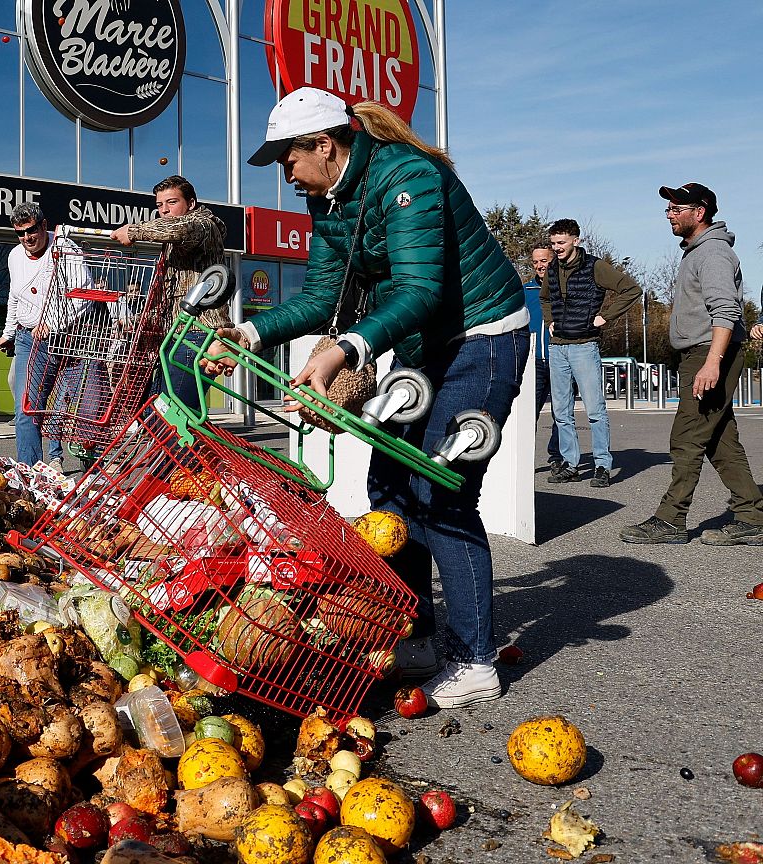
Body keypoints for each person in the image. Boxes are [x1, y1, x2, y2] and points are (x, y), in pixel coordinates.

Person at [214, 87, 528, 709]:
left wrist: (344, 352)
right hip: (423, 349)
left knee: (442, 495)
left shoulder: (409, 177)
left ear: (325, 147)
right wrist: (247, 332)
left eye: (288, 160)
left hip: (482, 338)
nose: (286, 175)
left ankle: (475, 661)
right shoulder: (332, 203)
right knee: (388, 486)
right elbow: (321, 300)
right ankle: (415, 633)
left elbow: (420, 292)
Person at [620, 183, 763, 546]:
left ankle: (671, 520)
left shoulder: (713, 254)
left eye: (676, 208)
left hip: (709, 353)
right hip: (702, 354)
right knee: (719, 440)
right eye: (668, 208)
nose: (669, 214)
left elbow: (727, 312)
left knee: (686, 437)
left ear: (699, 212)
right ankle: (752, 515)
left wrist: (712, 363)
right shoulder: (697, 252)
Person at [110, 175, 231, 413]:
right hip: (176, 334)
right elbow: (170, 294)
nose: (164, 210)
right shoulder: (172, 241)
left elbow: (182, 229)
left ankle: (184, 451)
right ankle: (185, 450)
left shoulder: (205, 225)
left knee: (173, 415)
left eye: (172, 202)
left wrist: (133, 231)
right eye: (159, 205)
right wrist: (142, 320)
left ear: (192, 203)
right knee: (163, 413)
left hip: (199, 334)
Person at [540, 219, 641, 488]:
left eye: (561, 243)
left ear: (576, 240)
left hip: (584, 347)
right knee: (561, 412)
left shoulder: (594, 266)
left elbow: (631, 289)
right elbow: (545, 298)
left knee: (595, 410)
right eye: (553, 243)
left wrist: (604, 317)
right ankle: (571, 464)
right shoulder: (552, 268)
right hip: (558, 347)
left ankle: (602, 466)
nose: (557, 248)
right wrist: (550, 320)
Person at [0, 203, 87, 470]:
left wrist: (52, 321)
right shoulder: (14, 256)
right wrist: (8, 332)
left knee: (77, 407)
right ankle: (30, 474)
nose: (27, 238)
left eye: (31, 231)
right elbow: (14, 296)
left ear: (44, 225)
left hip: (67, 339)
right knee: (26, 409)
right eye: (20, 234)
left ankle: (84, 463)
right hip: (28, 339)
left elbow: (82, 295)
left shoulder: (66, 249)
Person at [523, 244, 563, 469]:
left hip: (559, 359)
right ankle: (525, 456)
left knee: (561, 413)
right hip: (534, 362)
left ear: (553, 261)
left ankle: (557, 457)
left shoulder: (563, 289)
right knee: (530, 413)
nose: (539, 266)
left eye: (544, 261)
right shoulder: (525, 291)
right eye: (536, 262)